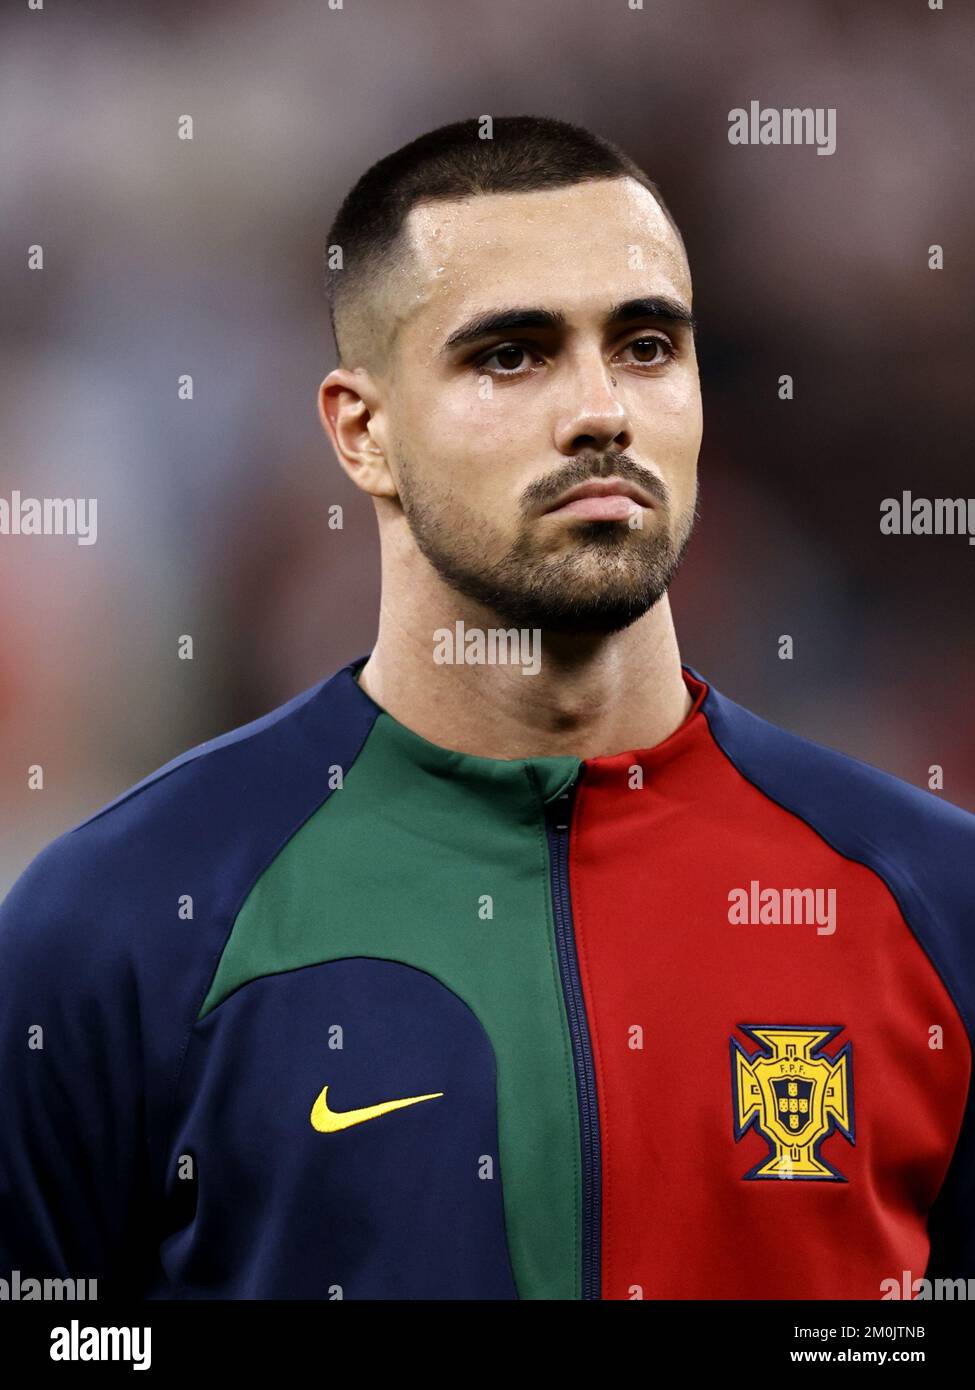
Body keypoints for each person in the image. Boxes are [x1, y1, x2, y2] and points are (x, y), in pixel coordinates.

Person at [1, 116, 972, 1302]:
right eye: (513, 354)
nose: (602, 409)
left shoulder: (935, 905)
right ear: (364, 433)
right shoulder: (120, 923)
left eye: (648, 344)